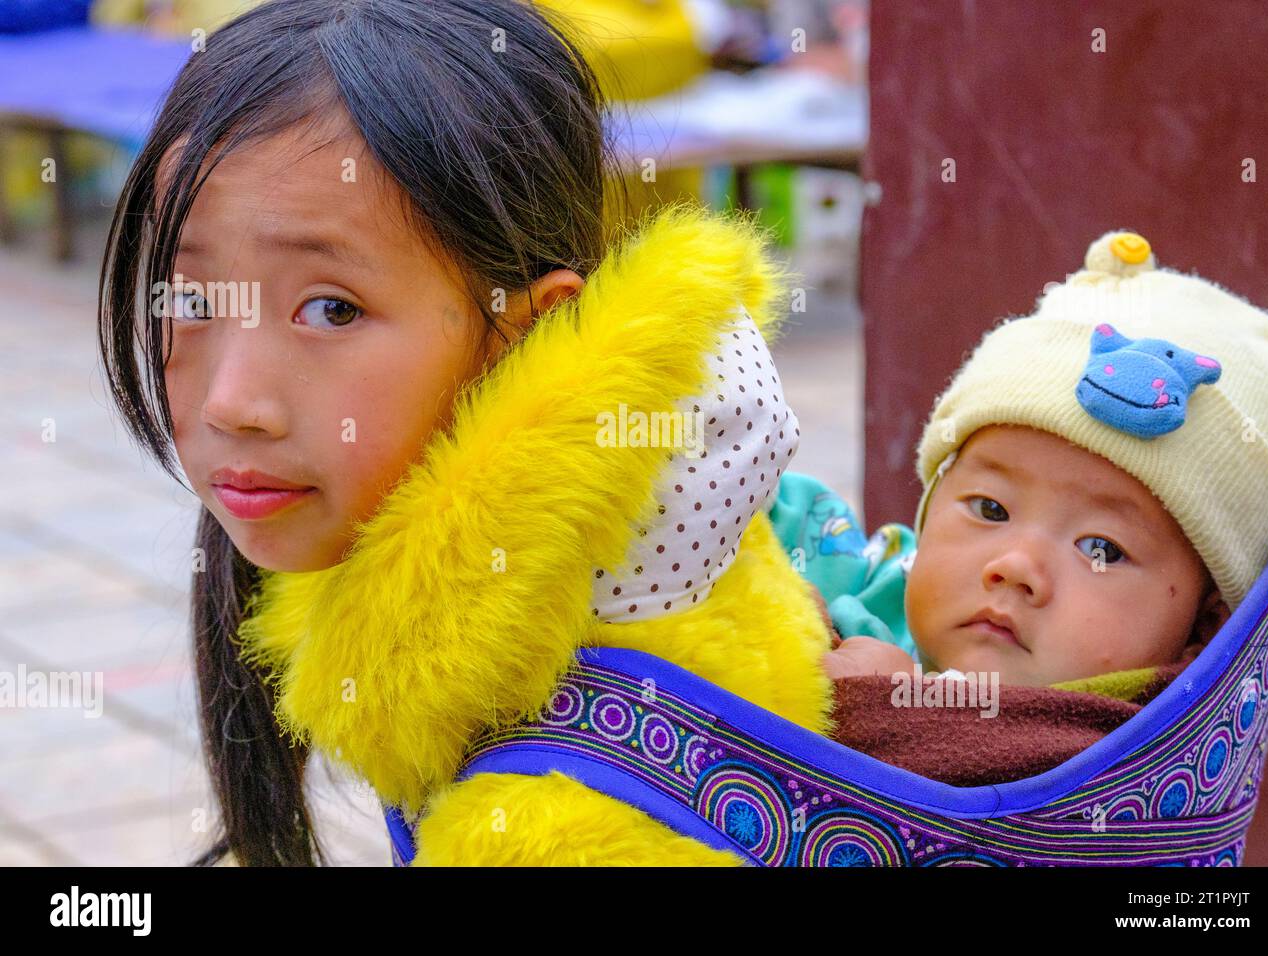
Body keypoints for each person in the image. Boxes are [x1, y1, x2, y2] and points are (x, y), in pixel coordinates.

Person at [98, 0, 840, 866]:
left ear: (529, 333)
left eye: (331, 308)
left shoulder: (550, 826)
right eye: (192, 299)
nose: (232, 401)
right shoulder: (648, 516)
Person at [780, 231, 1268, 691]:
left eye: (1102, 548)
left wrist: (888, 717)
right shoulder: (874, 587)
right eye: (989, 508)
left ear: (1204, 630)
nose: (1015, 567)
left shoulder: (1112, 759)